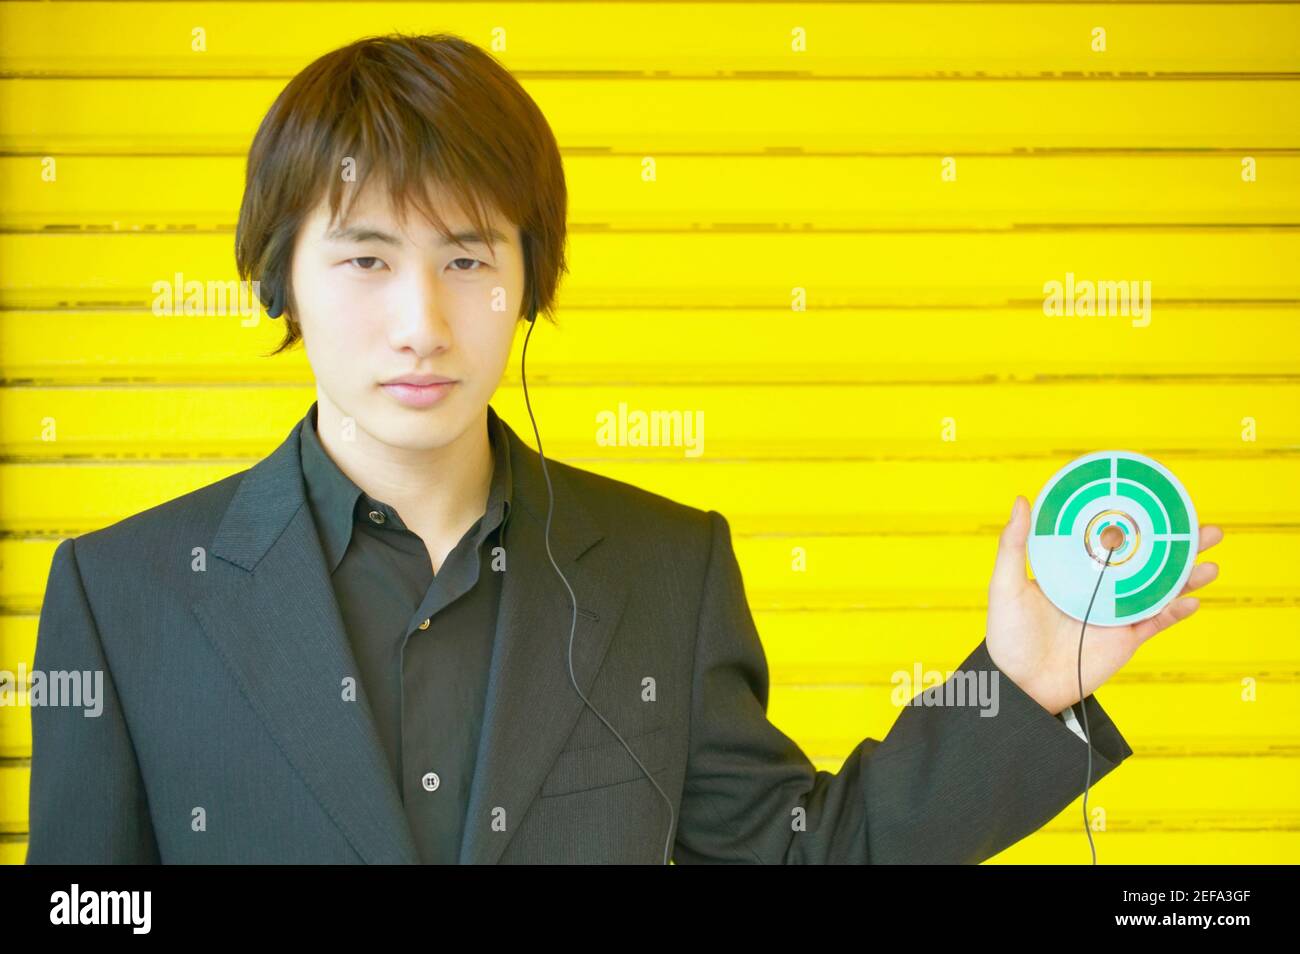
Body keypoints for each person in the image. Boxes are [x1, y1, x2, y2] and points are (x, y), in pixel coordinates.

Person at [25, 33, 1223, 864]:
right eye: (365, 258)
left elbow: (800, 858)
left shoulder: (665, 570)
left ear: (528, 282)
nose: (420, 323)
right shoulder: (123, 595)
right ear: (277, 276)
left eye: (467, 258)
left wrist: (1015, 690)